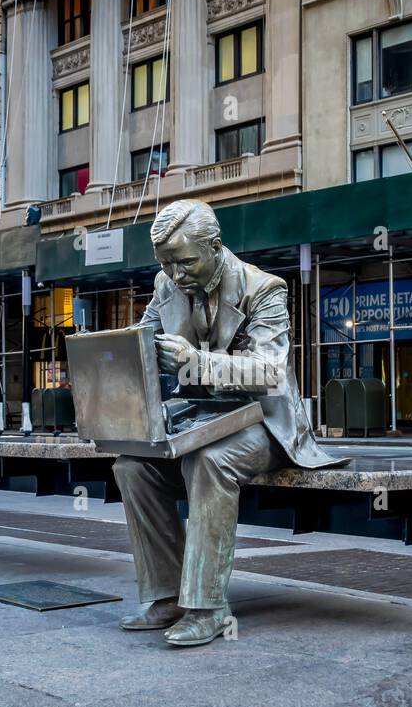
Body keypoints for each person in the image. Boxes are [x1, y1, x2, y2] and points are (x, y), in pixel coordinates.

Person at [111, 199, 345, 647]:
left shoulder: (265, 289)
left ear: (215, 247)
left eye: (184, 263)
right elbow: (140, 343)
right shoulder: (165, 284)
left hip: (265, 421)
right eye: (166, 264)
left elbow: (269, 370)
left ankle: (207, 607)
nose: (176, 275)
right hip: (200, 417)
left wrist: (197, 362)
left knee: (210, 461)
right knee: (131, 466)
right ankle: (166, 596)